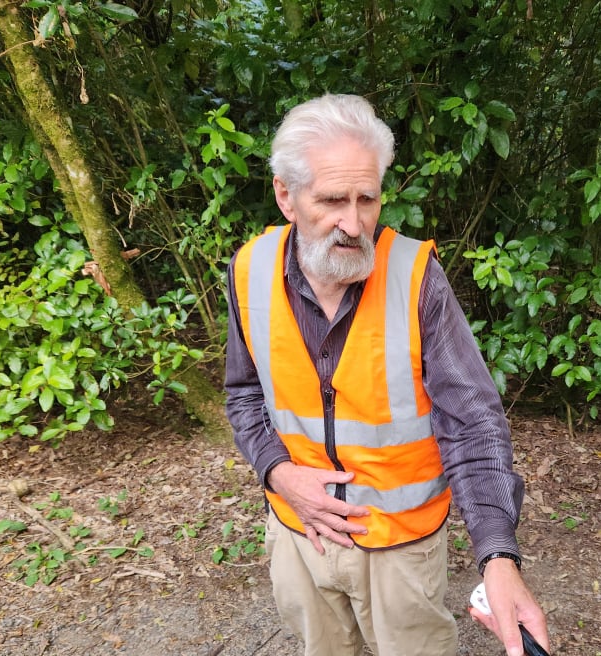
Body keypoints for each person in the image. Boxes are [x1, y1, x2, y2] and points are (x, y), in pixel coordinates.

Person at [223, 93, 549, 656]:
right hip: (300, 539)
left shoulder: (416, 278)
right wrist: (278, 473)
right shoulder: (248, 271)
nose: (354, 223)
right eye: (331, 200)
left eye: (367, 198)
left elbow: (472, 422)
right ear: (286, 196)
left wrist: (497, 556)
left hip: (402, 548)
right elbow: (244, 394)